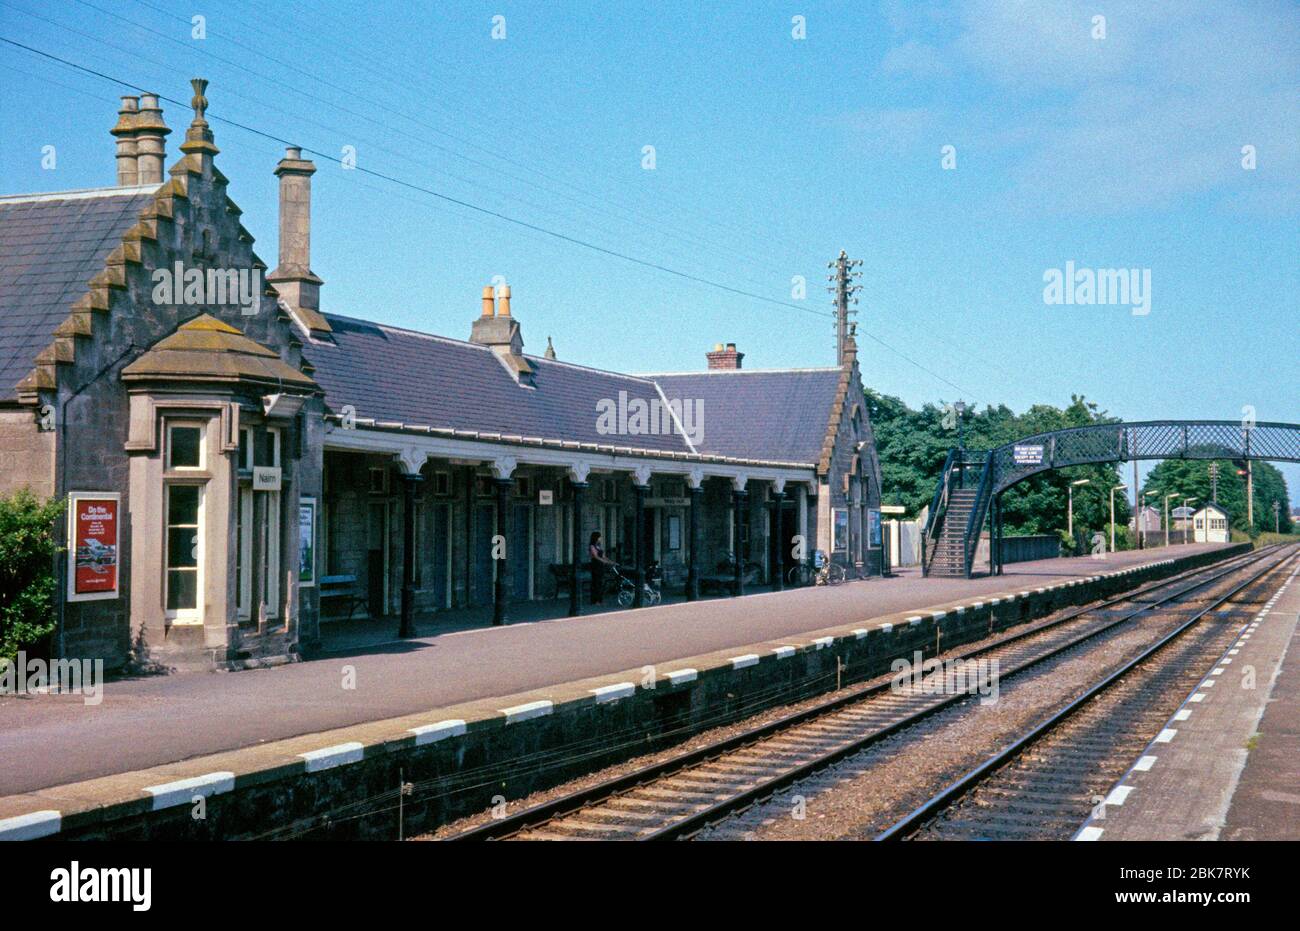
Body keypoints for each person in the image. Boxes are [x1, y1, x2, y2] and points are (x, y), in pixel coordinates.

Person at [588, 531, 614, 604]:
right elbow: (595, 556)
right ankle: (595, 600)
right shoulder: (592, 546)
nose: (600, 538)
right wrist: (603, 561)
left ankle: (600, 599)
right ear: (596, 538)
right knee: (596, 582)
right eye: (599, 537)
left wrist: (610, 561)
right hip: (595, 565)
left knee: (600, 582)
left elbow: (603, 556)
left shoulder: (598, 546)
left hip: (600, 566)